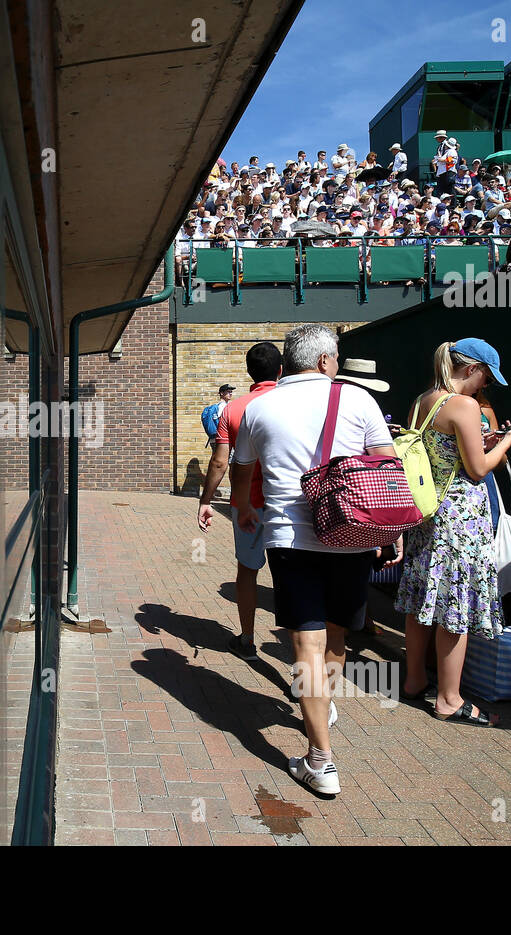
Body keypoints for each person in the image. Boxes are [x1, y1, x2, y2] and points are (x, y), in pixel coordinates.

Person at [230, 325, 399, 797]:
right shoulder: (359, 400)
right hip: (352, 533)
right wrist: (391, 531)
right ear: (325, 360)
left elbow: (243, 470)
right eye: (337, 355)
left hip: (289, 537)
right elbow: (386, 469)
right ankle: (322, 706)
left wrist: (243, 508)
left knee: (306, 643)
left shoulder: (258, 408)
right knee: (338, 635)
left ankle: (321, 762)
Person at [396, 339, 511, 727]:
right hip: (461, 519)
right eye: (485, 376)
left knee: (424, 596)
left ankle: (414, 679)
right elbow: (479, 470)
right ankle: (449, 699)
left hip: (428, 510)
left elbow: (441, 452)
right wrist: (507, 440)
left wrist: (481, 444)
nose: (484, 385)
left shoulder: (424, 400)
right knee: (455, 604)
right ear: (471, 369)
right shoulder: (465, 405)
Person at [197, 342, 282, 659]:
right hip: (289, 502)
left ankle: (247, 640)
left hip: (247, 502)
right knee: (290, 574)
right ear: (281, 370)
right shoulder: (293, 402)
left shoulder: (234, 409)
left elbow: (220, 461)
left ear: (249, 372)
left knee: (248, 569)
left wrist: (206, 500)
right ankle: (298, 650)